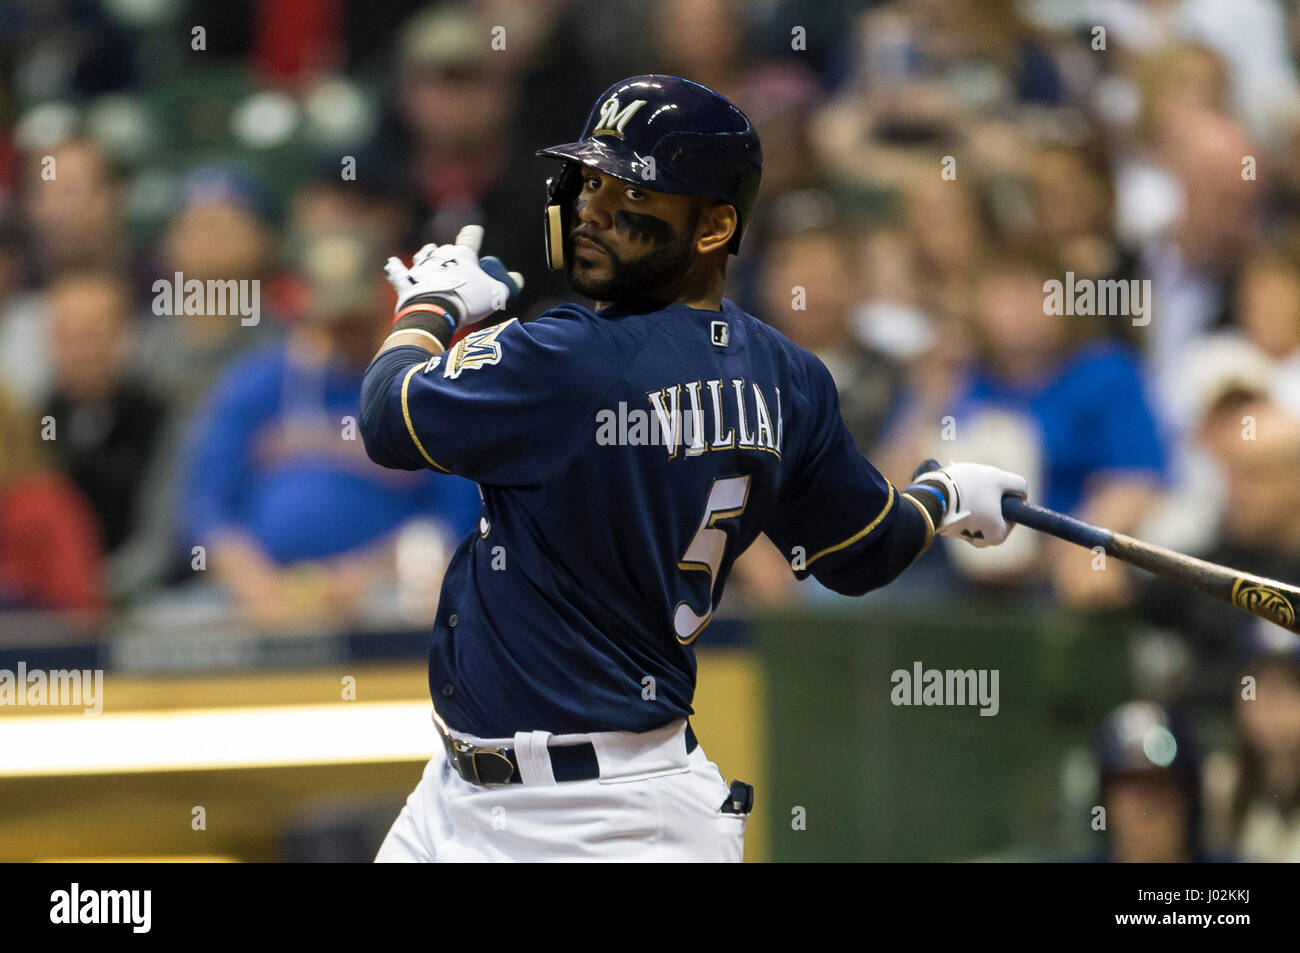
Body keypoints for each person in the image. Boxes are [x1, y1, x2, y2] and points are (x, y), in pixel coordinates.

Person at [359, 75, 1027, 862]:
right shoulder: (788, 374)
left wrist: (432, 306)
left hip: (600, 822)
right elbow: (860, 552)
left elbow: (385, 414)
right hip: (476, 794)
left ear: (714, 225)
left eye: (632, 192)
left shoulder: (570, 355)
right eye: (590, 182)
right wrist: (940, 494)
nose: (592, 211)